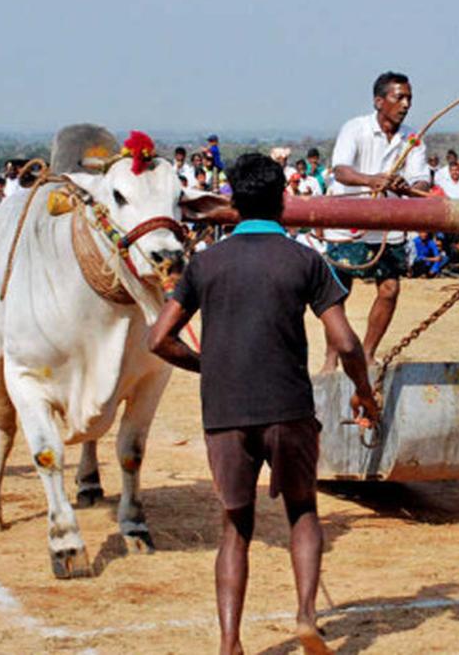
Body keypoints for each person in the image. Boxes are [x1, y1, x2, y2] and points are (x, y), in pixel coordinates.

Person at [147, 153, 377, 655]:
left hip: (225, 412)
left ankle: (230, 643)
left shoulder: (205, 264)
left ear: (232, 203)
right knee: (303, 512)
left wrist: (209, 366)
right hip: (289, 407)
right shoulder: (305, 260)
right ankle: (306, 617)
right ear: (282, 201)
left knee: (235, 526)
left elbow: (159, 338)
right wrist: (364, 391)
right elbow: (345, 342)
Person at [322, 71, 429, 371]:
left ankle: (367, 353)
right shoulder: (354, 129)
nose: (406, 104)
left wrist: (404, 187)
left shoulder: (413, 139)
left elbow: (421, 182)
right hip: (349, 224)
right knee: (337, 294)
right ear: (379, 101)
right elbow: (340, 171)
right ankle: (332, 358)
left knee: (390, 289)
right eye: (399, 97)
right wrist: (371, 181)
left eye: (409, 97)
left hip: (388, 227)